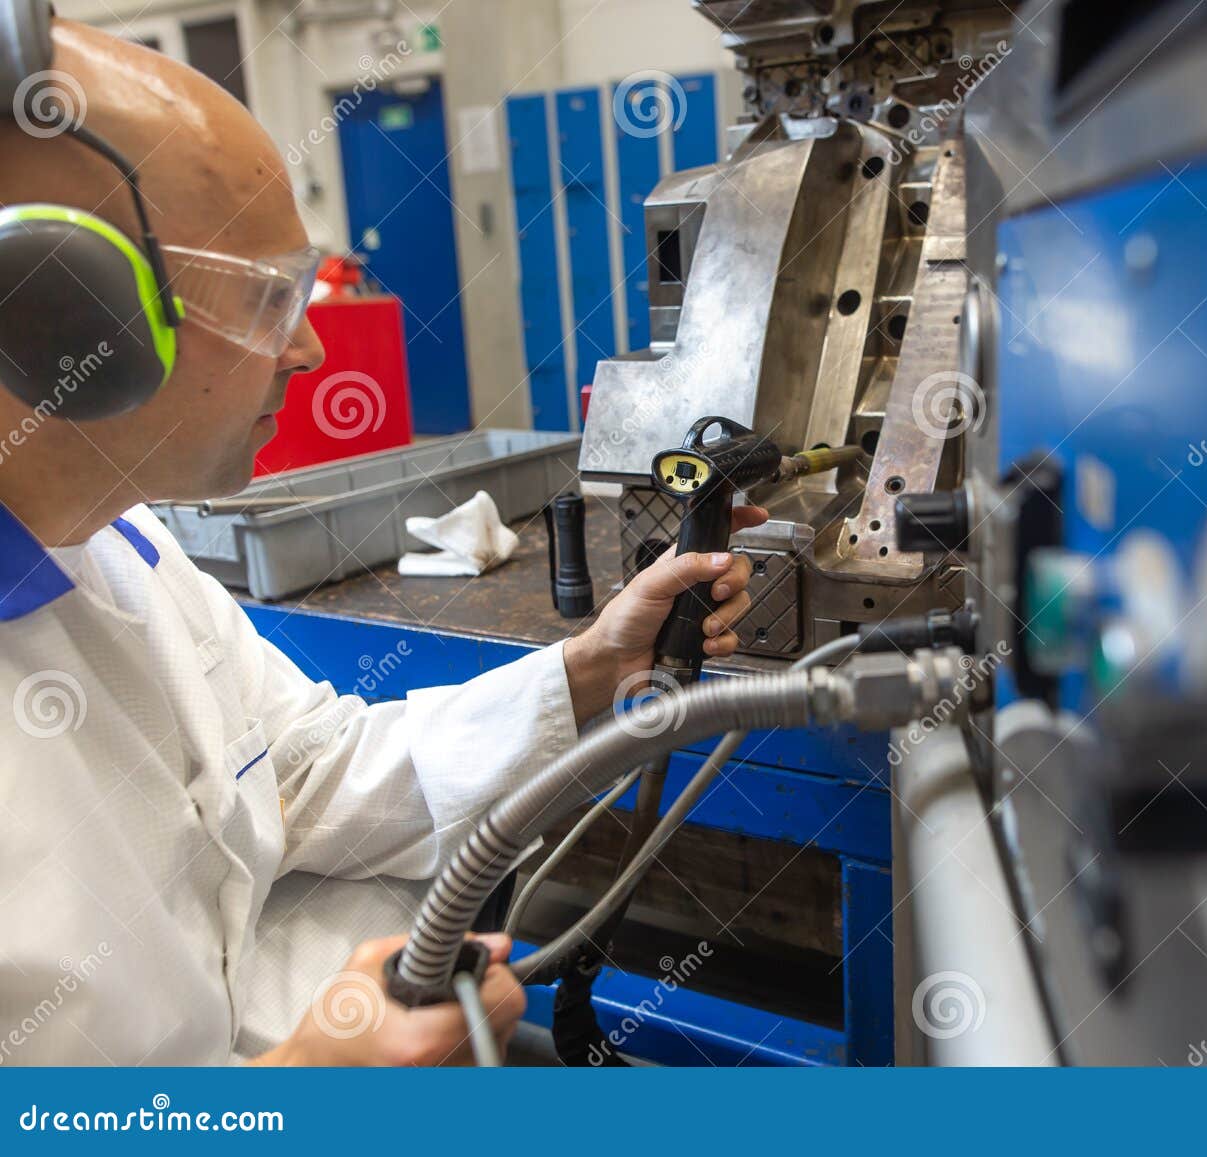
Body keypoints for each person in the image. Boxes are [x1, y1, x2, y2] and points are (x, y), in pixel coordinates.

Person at [0, 19, 763, 1065]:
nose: (311, 344)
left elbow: (300, 769)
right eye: (270, 298)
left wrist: (592, 670)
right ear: (56, 315)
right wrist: (310, 1083)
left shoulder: (116, 541)